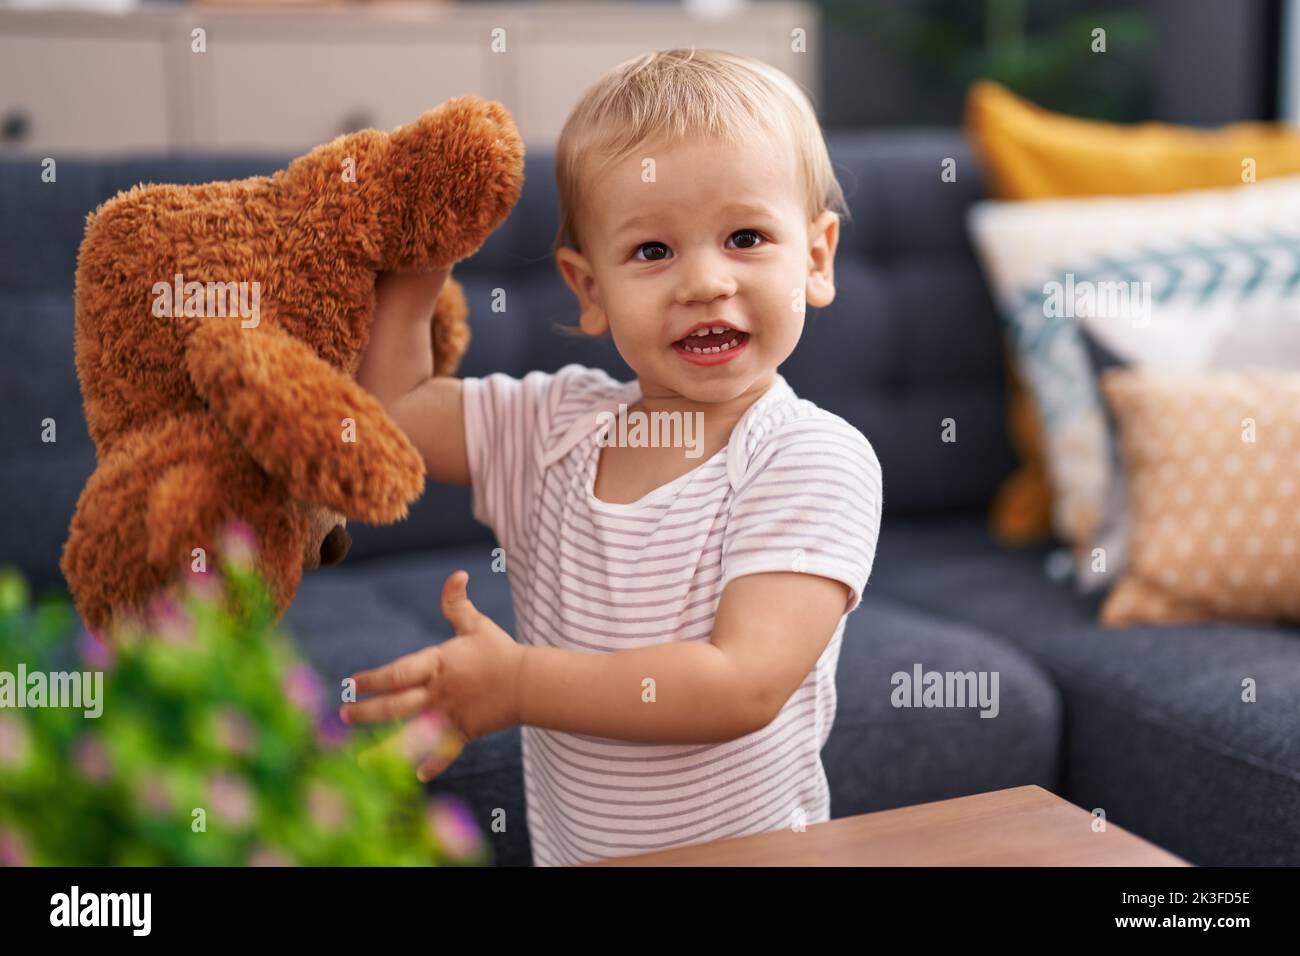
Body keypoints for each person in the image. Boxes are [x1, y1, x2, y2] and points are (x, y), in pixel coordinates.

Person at [340, 48, 883, 867]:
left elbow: (742, 683)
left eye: (745, 237)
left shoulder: (812, 457)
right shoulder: (552, 425)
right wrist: (416, 269)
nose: (704, 281)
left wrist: (517, 686)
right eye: (652, 252)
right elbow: (394, 421)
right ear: (588, 290)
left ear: (815, 258)